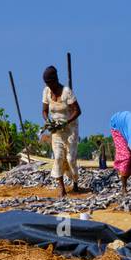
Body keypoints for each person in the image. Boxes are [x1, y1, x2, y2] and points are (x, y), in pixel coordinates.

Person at [41, 65, 82, 197]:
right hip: (56, 130)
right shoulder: (46, 92)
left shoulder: (66, 92)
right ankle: (61, 187)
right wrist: (48, 121)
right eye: (47, 84)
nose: (49, 86)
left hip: (70, 129)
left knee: (70, 159)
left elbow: (77, 111)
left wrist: (66, 122)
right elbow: (44, 111)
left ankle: (75, 182)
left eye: (50, 83)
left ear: (55, 80)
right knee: (58, 156)